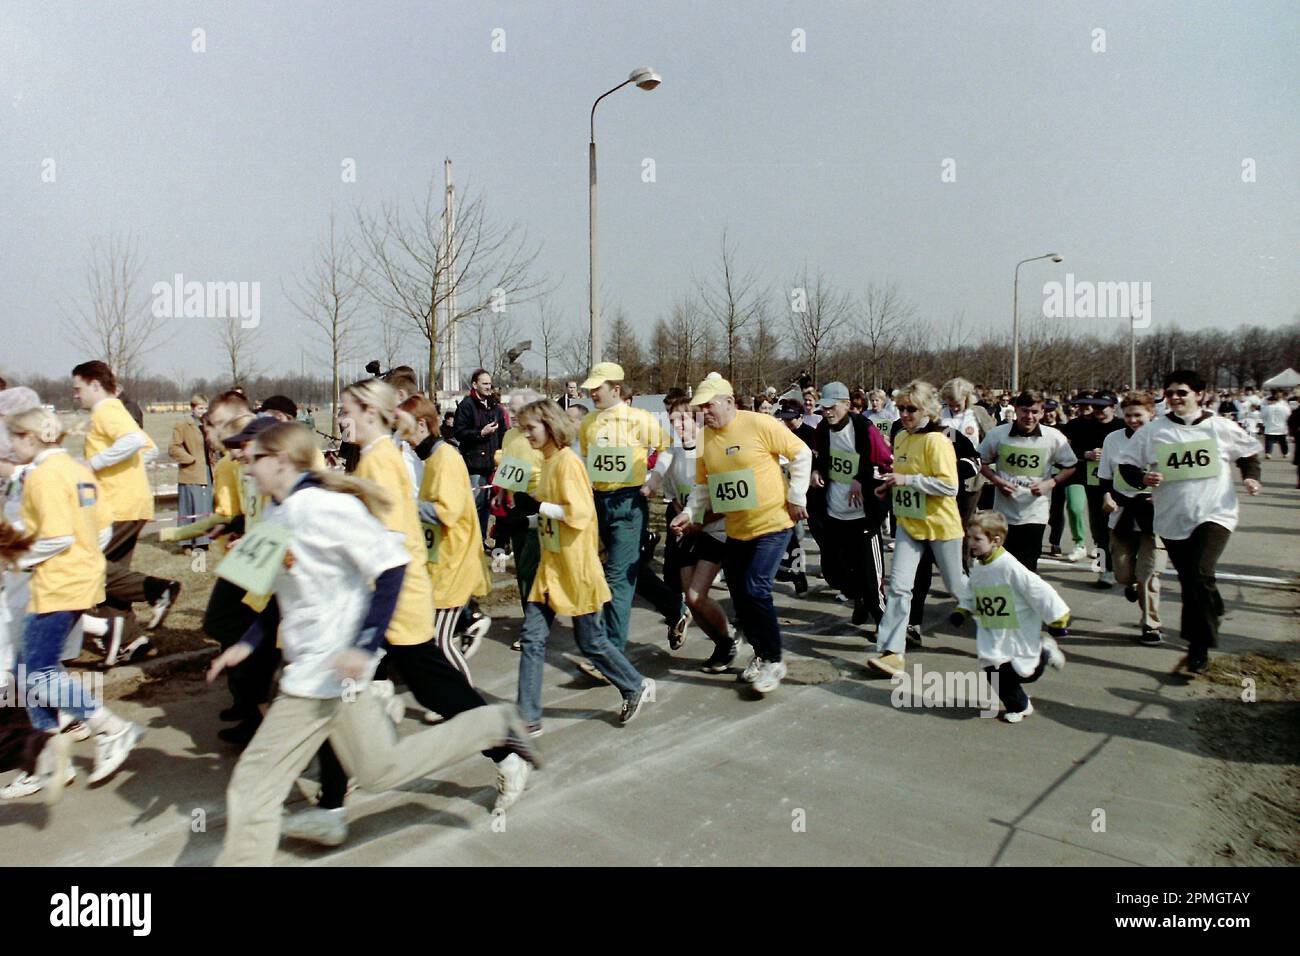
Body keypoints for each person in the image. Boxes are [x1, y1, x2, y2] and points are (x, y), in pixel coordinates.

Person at [207, 422, 542, 865]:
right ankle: (495, 724)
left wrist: (363, 646)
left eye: (254, 461)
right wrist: (247, 643)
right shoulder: (277, 513)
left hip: (322, 677)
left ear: (281, 461)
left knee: (252, 787)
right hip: (329, 676)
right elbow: (276, 597)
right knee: (381, 770)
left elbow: (392, 565)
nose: (246, 470)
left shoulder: (323, 509)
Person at [4, 407, 142, 791]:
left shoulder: (41, 477)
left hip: (57, 586)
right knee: (24, 669)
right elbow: (102, 528)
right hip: (81, 580)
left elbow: (56, 537)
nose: (11, 447)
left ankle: (109, 727)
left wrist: (15, 558)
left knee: (38, 673)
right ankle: (49, 757)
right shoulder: (79, 469)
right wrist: (85, 560)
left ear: (30, 438)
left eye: (14, 439)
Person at [514, 399, 653, 734]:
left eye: (531, 428)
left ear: (549, 425)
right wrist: (526, 521)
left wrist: (540, 507)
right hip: (551, 568)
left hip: (575, 569)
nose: (526, 434)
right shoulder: (547, 462)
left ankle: (634, 685)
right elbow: (553, 515)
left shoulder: (567, 463)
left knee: (591, 642)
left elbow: (577, 514)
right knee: (533, 638)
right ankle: (528, 717)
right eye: (523, 428)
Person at [670, 376, 812, 692]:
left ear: (730, 402)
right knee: (741, 595)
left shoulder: (760, 424)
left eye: (710, 405)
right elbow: (703, 487)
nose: (705, 412)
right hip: (737, 530)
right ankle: (761, 656)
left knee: (756, 588)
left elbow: (801, 454)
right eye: (700, 407)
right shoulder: (705, 439)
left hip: (772, 524)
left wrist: (797, 496)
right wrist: (689, 513)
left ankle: (774, 660)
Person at [1116, 370, 1262, 674]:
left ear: (1200, 395)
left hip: (1215, 513)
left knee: (1199, 572)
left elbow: (1248, 453)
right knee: (1193, 581)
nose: (1175, 398)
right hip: (1172, 517)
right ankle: (1213, 603)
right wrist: (1144, 477)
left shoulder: (1220, 426)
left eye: (1182, 392)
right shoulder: (1154, 431)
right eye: (1170, 393)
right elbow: (1127, 466)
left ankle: (1199, 647)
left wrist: (1250, 477)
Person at [72, 361, 181, 665]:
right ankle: (132, 642)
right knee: (112, 576)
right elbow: (149, 449)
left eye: (78, 388)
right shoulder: (117, 410)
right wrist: (124, 471)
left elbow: (134, 442)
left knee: (89, 568)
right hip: (130, 502)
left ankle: (157, 589)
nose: (75, 396)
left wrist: (92, 465)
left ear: (96, 385)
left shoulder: (106, 410)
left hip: (116, 506)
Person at [867, 381, 973, 676]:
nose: (904, 413)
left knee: (957, 586)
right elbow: (900, 475)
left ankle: (1006, 628)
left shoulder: (937, 441)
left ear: (927, 409)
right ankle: (891, 652)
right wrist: (889, 487)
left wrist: (909, 482)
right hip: (909, 524)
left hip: (941, 526)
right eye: (900, 408)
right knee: (899, 587)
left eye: (911, 408)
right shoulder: (900, 436)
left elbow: (949, 486)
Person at [576, 363, 671, 669]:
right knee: (629, 570)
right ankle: (676, 606)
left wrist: (654, 480)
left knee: (617, 579)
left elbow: (666, 447)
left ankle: (611, 653)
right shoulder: (588, 422)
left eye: (597, 388)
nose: (592, 393)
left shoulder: (639, 419)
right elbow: (586, 459)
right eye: (590, 388)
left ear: (616, 389)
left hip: (630, 502)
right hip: (599, 502)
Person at [401, 395, 493, 673]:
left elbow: (447, 512)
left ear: (421, 425)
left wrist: (404, 506)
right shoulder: (432, 460)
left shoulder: (445, 459)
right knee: (433, 638)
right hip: (441, 563)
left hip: (455, 563)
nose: (404, 440)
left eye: (405, 431)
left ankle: (465, 701)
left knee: (441, 641)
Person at [960, 511, 1069, 723]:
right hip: (993, 628)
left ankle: (1044, 651)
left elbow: (1039, 589)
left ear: (995, 541)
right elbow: (973, 588)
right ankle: (1019, 705)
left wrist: (1057, 617)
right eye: (969, 538)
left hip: (1016, 628)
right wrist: (963, 609)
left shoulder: (1010, 566)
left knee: (1025, 672)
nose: (971, 543)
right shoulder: (979, 564)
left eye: (977, 539)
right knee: (993, 669)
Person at [810, 382, 893, 629]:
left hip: (863, 515)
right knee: (836, 572)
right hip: (835, 513)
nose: (827, 412)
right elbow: (821, 459)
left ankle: (886, 628)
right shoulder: (822, 429)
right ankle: (858, 597)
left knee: (871, 577)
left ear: (847, 405)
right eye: (823, 407)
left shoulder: (864, 428)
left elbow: (886, 465)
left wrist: (862, 478)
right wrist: (816, 472)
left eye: (832, 407)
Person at [660, 394, 732, 666]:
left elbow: (728, 501)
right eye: (672, 420)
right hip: (690, 532)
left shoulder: (711, 450)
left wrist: (700, 521)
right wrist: (683, 519)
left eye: (682, 419)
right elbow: (675, 498)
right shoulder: (672, 455)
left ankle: (728, 639)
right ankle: (722, 643)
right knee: (691, 601)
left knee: (695, 595)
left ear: (696, 419)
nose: (677, 425)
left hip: (717, 531)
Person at [978, 390, 1077, 573]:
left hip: (1035, 511)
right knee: (1003, 563)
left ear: (1042, 412)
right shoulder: (998, 434)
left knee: (1027, 567)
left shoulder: (1053, 437)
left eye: (1034, 412)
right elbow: (980, 461)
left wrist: (1050, 483)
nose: (1029, 417)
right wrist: (997, 481)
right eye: (1024, 411)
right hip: (1004, 512)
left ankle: (1022, 600)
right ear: (1015, 409)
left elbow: (1070, 465)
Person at [1097, 392, 1165, 645]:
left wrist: (1165, 495)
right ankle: (1131, 584)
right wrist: (1106, 497)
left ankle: (1151, 624)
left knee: (1149, 574)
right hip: (1122, 512)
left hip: (1154, 515)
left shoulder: (1165, 437)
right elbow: (1105, 476)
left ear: (1152, 414)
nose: (1134, 420)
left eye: (1139, 415)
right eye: (1128, 416)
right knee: (1124, 573)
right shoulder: (1113, 439)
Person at [454, 369, 508, 543]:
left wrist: (502, 456)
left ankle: (484, 539)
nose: (488, 386)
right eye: (484, 383)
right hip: (474, 464)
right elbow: (459, 432)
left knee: (492, 505)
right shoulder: (466, 405)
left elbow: (503, 434)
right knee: (476, 503)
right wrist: (481, 433)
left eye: (489, 383)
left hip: (494, 463)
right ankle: (472, 540)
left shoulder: (495, 406)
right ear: (474, 385)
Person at [169, 394, 213, 549]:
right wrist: (190, 459)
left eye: (206, 408)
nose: (203, 411)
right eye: (200, 408)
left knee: (204, 507)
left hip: (207, 471)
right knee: (189, 508)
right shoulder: (182, 425)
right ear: (192, 408)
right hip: (191, 472)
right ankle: (187, 543)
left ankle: (203, 541)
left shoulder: (208, 425)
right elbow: (174, 448)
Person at [1262, 391, 1290, 459]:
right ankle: (1285, 453)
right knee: (1283, 441)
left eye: (1269, 401)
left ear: (1272, 401)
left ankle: (1268, 453)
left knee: (1269, 441)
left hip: (1270, 426)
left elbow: (1262, 416)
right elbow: (1288, 415)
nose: (1268, 402)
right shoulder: (1284, 407)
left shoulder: (1267, 408)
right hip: (1281, 427)